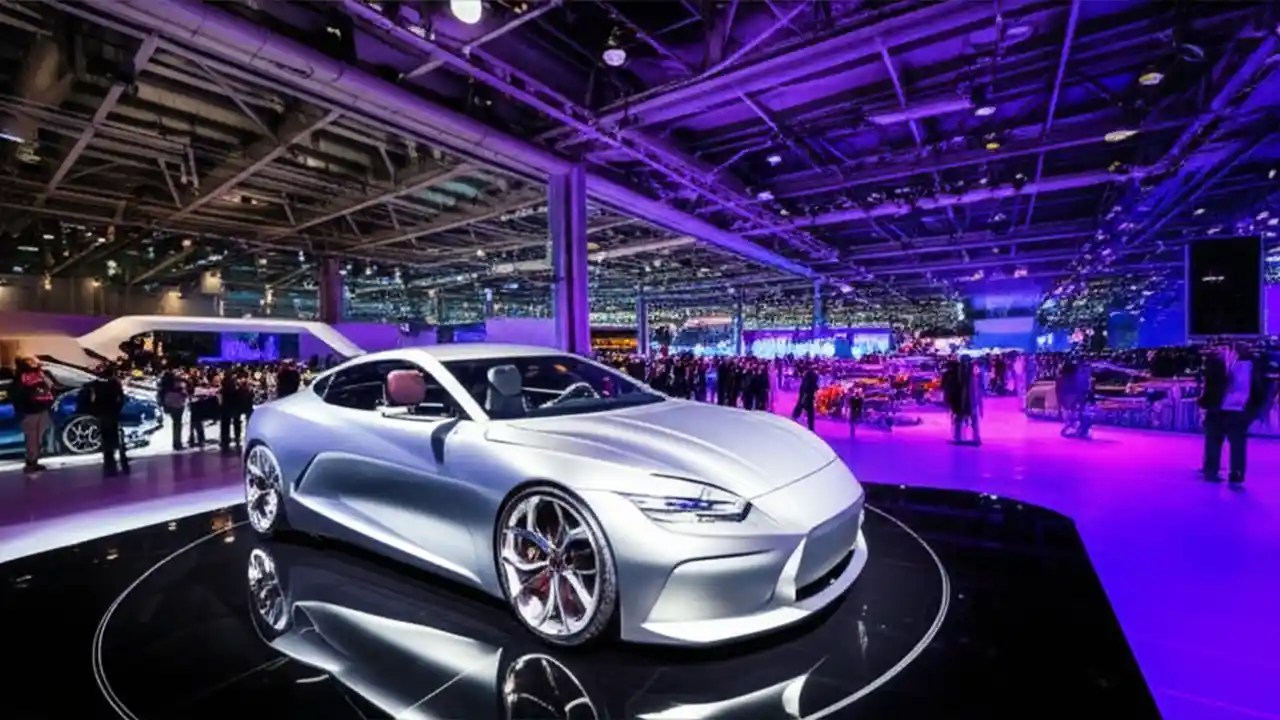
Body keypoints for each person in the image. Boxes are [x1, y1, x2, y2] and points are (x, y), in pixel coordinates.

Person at [1199, 344, 1269, 485]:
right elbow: (1211, 384)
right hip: (1221, 406)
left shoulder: (1253, 364)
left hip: (1235, 408)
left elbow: (1259, 389)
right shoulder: (1218, 361)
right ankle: (1218, 471)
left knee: (1230, 441)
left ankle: (1228, 472)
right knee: (1222, 440)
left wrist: (1255, 409)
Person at [81, 363, 129, 475]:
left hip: (102, 413)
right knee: (116, 434)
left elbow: (90, 399)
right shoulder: (114, 383)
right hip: (112, 412)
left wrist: (93, 410)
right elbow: (121, 398)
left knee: (105, 435)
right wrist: (118, 408)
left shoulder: (94, 384)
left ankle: (109, 459)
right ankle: (121, 457)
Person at [11, 356, 55, 473]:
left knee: (38, 437)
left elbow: (51, 386)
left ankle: (34, 461)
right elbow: (16, 395)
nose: (34, 363)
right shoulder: (21, 377)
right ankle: (31, 462)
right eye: (30, 361)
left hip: (42, 409)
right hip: (30, 412)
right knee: (32, 439)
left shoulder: (41, 375)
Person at [158, 366, 189, 451]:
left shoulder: (164, 386)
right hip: (178, 404)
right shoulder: (178, 385)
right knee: (178, 424)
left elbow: (160, 395)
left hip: (169, 404)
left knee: (175, 423)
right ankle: (177, 443)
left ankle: (176, 443)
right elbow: (184, 394)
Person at [792, 361, 818, 431]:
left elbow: (807, 385)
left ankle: (795, 417)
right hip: (808, 394)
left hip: (805, 394)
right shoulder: (812, 375)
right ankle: (810, 426)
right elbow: (812, 385)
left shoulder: (808, 375)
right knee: (808, 409)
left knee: (802, 406)